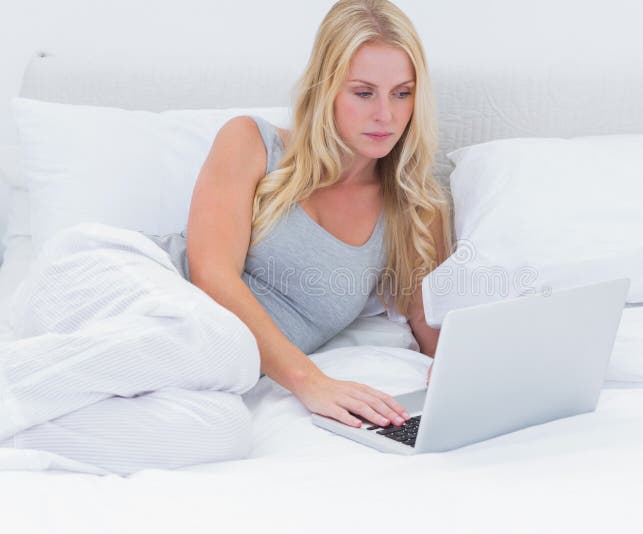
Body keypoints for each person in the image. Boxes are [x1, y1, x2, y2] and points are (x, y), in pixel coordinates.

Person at [0, 0, 452, 475]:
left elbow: (433, 335)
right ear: (326, 89)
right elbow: (212, 276)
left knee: (223, 431)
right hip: (104, 283)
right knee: (232, 345)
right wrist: (310, 380)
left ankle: (17, 432)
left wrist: (477, 379)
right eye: (364, 92)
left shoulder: (417, 209)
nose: (386, 114)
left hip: (193, 368)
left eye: (402, 94)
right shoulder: (253, 142)